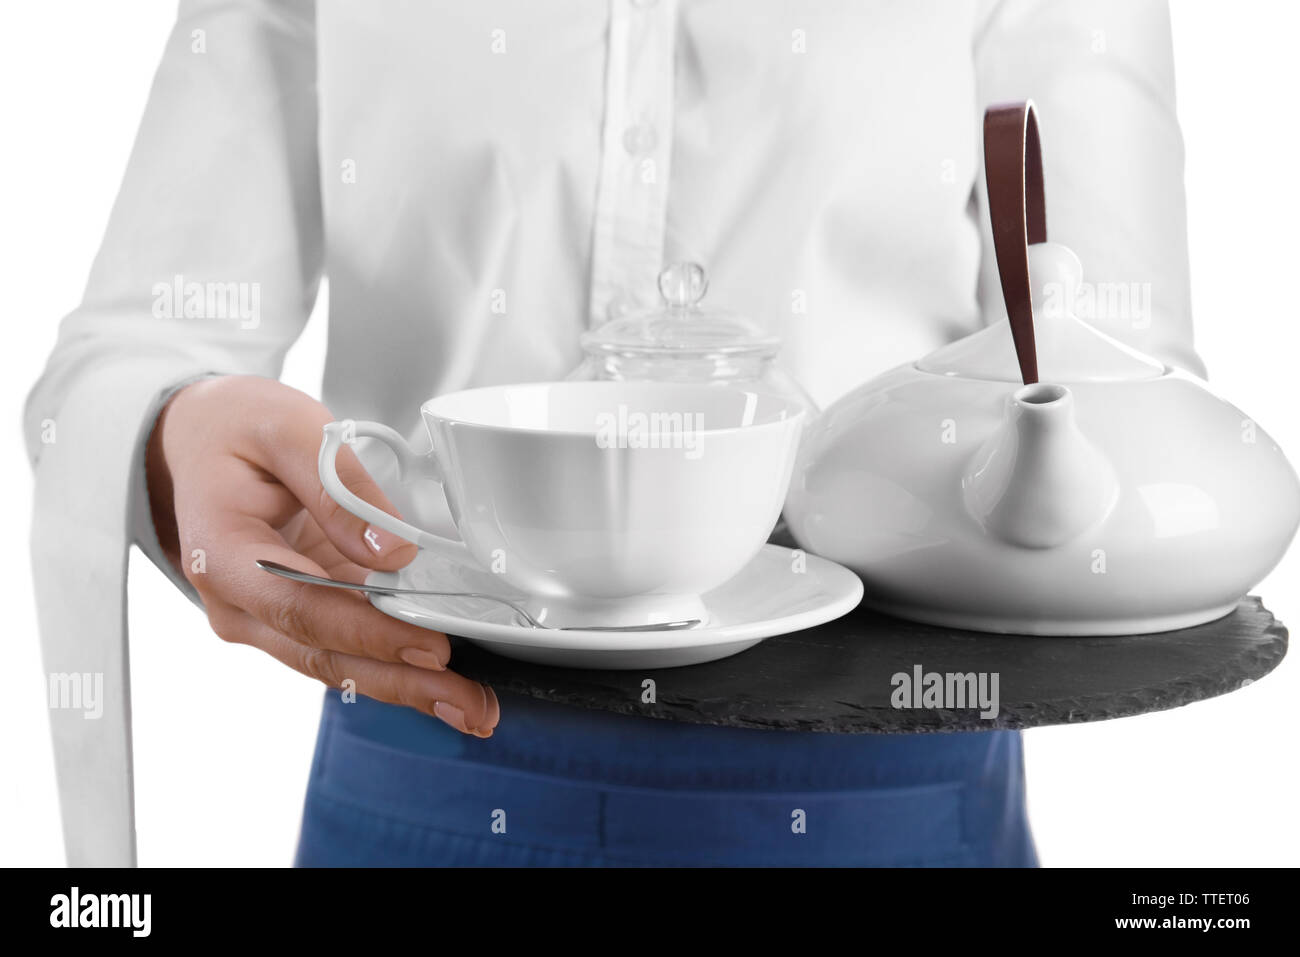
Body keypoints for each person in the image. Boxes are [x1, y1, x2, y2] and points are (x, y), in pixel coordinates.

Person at [26, 0, 1201, 866]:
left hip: (877, 781)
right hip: (428, 748)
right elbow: (127, 349)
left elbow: (1128, 387)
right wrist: (167, 440)